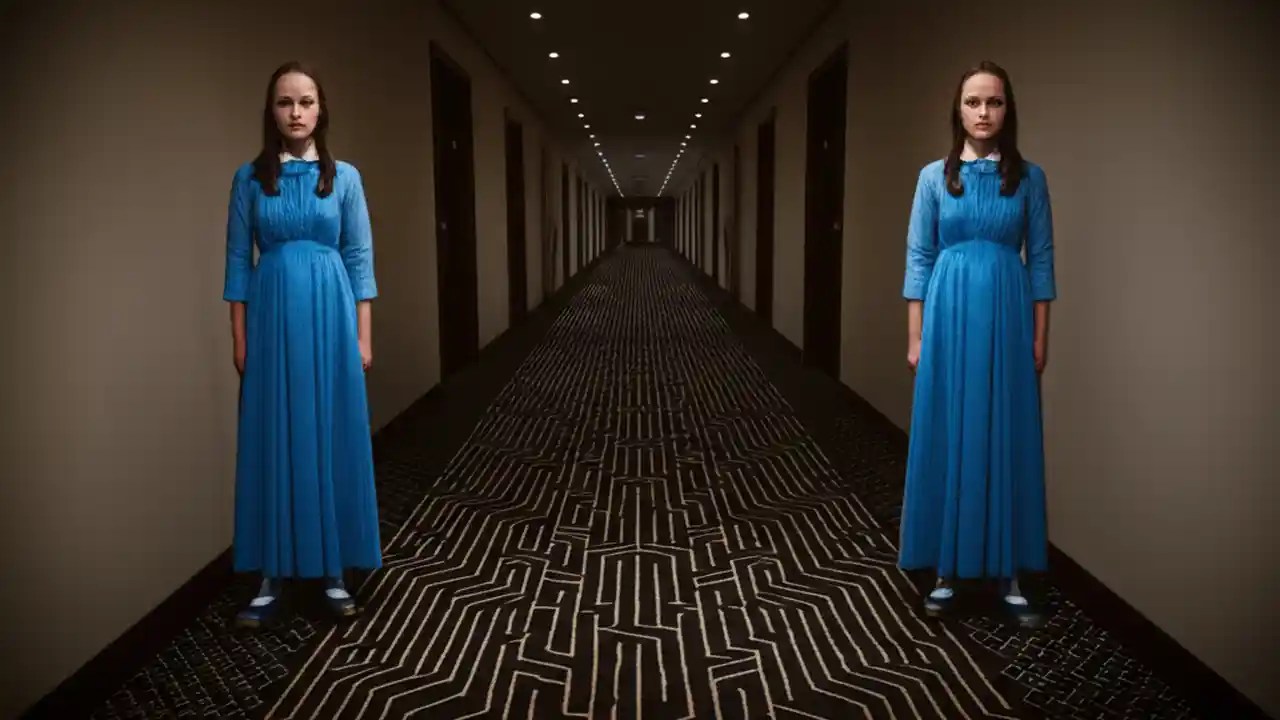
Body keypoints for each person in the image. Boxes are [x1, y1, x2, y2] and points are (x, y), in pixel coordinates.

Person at [223, 61, 383, 628]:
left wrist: (363, 337)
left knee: (329, 430)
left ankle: (334, 572)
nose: (296, 112)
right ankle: (271, 577)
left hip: (331, 316)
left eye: (306, 102)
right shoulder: (248, 179)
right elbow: (239, 263)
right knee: (273, 435)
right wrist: (240, 340)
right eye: (285, 102)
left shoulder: (347, 178)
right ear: (271, 111)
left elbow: (360, 257)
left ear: (321, 110)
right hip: (270, 320)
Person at [898, 60, 1056, 628]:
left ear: (1007, 110)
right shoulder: (931, 177)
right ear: (958, 110)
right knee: (951, 428)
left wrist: (1040, 337)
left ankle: (1009, 575)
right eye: (973, 102)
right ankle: (946, 572)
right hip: (948, 314)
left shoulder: (1030, 178)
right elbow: (919, 256)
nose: (983, 113)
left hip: (1009, 315)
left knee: (1006, 433)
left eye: (993, 102)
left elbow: (1039, 260)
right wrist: (915, 336)